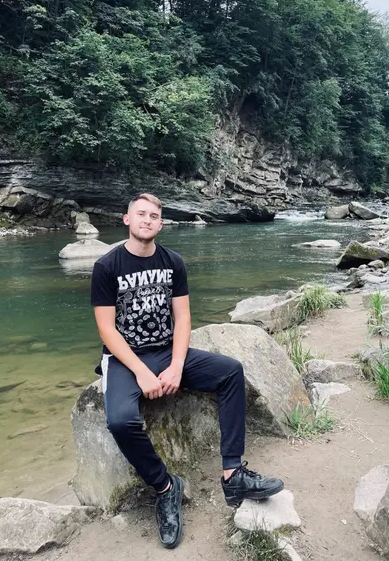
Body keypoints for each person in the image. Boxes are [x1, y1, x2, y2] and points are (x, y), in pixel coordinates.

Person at [91, 193, 284, 549]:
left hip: (167, 351)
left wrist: (177, 366)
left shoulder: (173, 262)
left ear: (161, 223)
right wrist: (141, 372)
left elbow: (182, 318)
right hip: (124, 359)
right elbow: (106, 329)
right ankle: (166, 487)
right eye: (140, 214)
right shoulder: (107, 266)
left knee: (231, 371)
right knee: (119, 420)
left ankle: (233, 474)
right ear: (127, 219)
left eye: (154, 215)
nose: (147, 220)